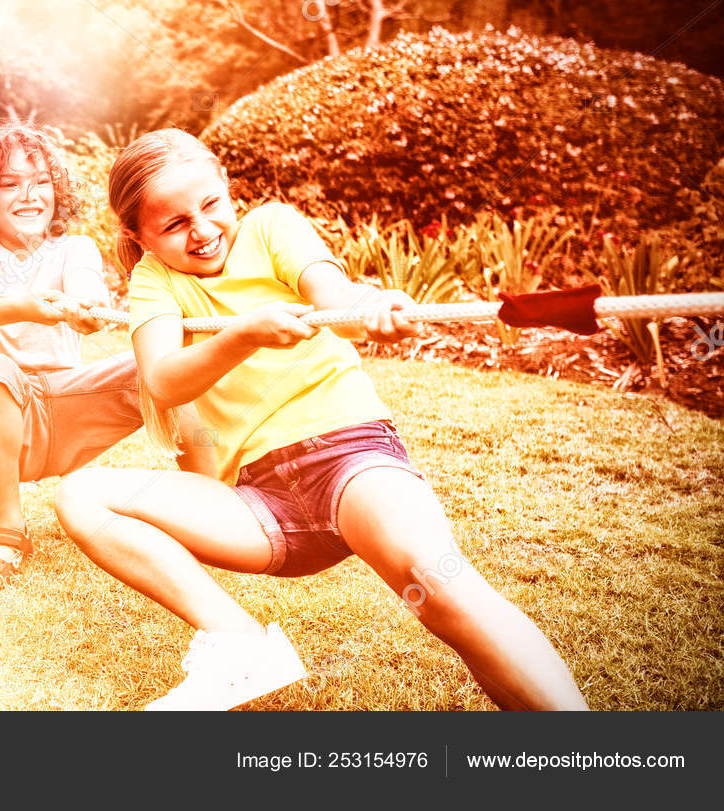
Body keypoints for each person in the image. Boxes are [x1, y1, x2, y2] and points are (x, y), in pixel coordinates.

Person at [54, 129, 588, 711]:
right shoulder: (155, 280)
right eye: (176, 224)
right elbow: (162, 379)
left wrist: (371, 307)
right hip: (260, 504)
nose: (203, 230)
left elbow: (336, 298)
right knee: (80, 496)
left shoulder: (271, 228)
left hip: (350, 458)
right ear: (139, 236)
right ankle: (239, 645)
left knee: (441, 592)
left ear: (227, 189)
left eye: (210, 205)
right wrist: (245, 334)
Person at [0, 122, 211, 591]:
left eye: (41, 181)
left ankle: (209, 502)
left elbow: (88, 297)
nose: (29, 195)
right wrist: (23, 306)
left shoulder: (73, 248)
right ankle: (8, 533)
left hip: (72, 409)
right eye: (10, 184)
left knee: (170, 361)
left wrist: (84, 309)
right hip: (7, 420)